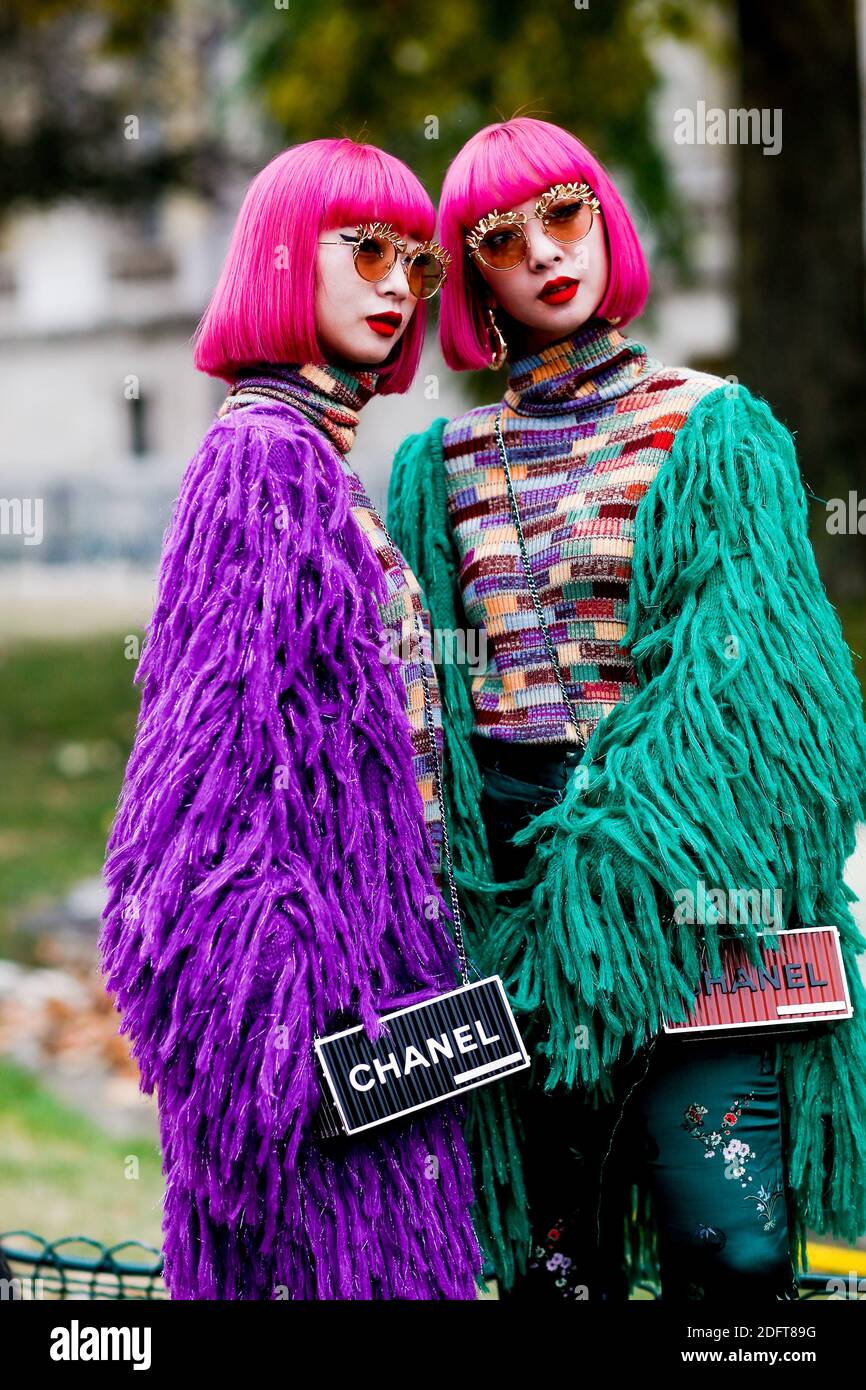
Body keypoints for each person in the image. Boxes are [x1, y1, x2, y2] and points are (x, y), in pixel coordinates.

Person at [387, 116, 866, 1300]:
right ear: (474, 276)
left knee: (732, 1244)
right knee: (545, 1260)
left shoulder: (712, 424)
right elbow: (420, 710)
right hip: (498, 904)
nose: (548, 251)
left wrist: (613, 863)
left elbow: (760, 695)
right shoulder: (433, 463)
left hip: (682, 886)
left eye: (567, 214)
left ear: (606, 222)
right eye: (503, 238)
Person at [98, 137, 488, 1300]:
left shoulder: (318, 465)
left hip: (378, 1013)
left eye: (414, 265)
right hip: (318, 1041)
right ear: (279, 258)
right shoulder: (262, 462)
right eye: (362, 248)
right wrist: (273, 1045)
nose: (391, 284)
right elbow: (199, 796)